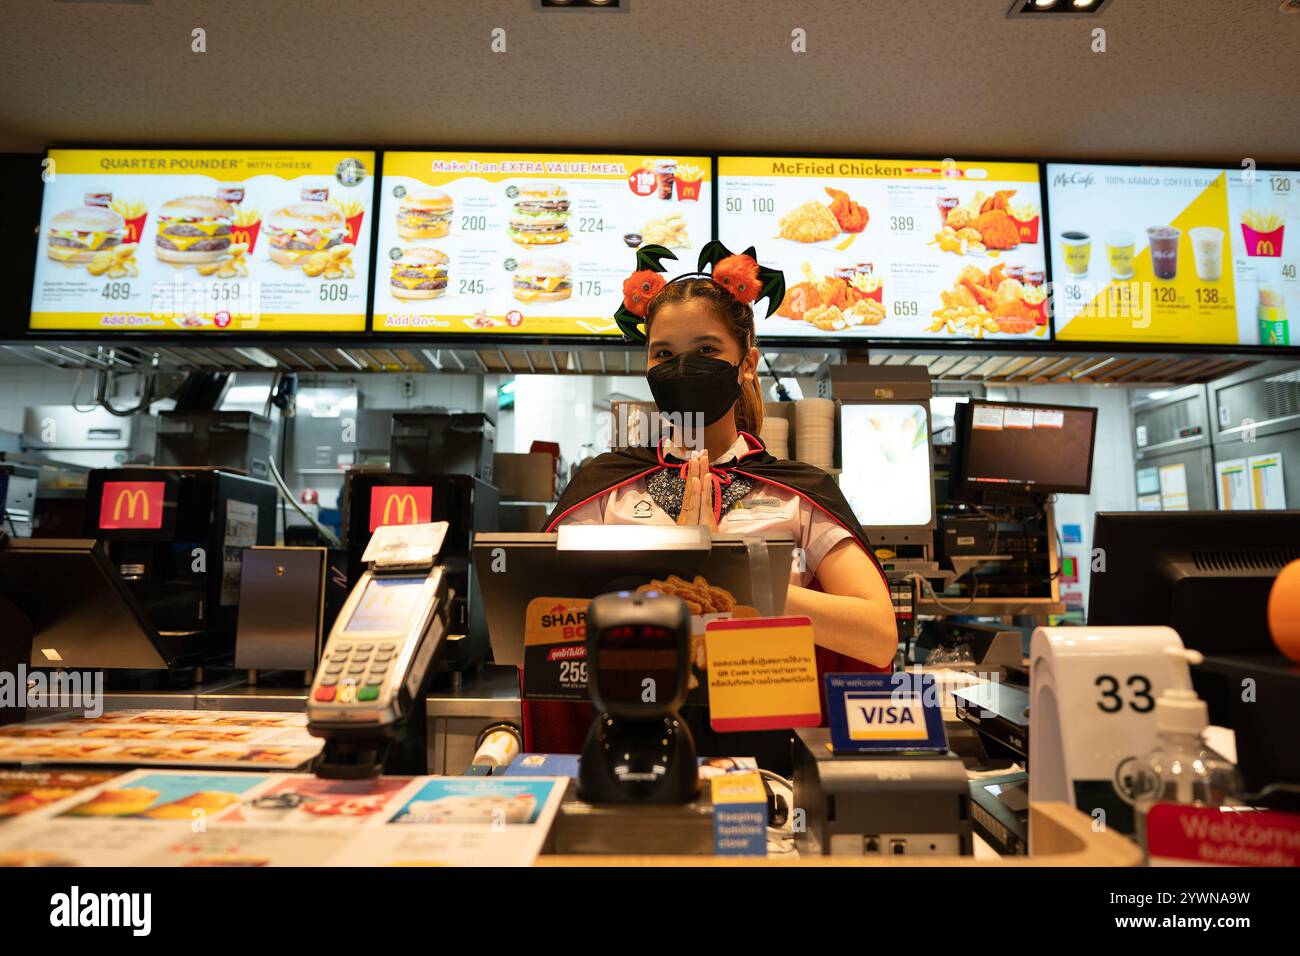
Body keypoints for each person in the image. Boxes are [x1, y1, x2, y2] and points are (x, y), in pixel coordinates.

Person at [527, 243, 898, 762]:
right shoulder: (606, 486)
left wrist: (729, 579)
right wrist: (665, 572)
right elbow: (537, 624)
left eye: (705, 351)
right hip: (626, 746)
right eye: (664, 354)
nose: (683, 368)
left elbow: (878, 637)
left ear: (746, 363)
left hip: (769, 761)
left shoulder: (798, 491)